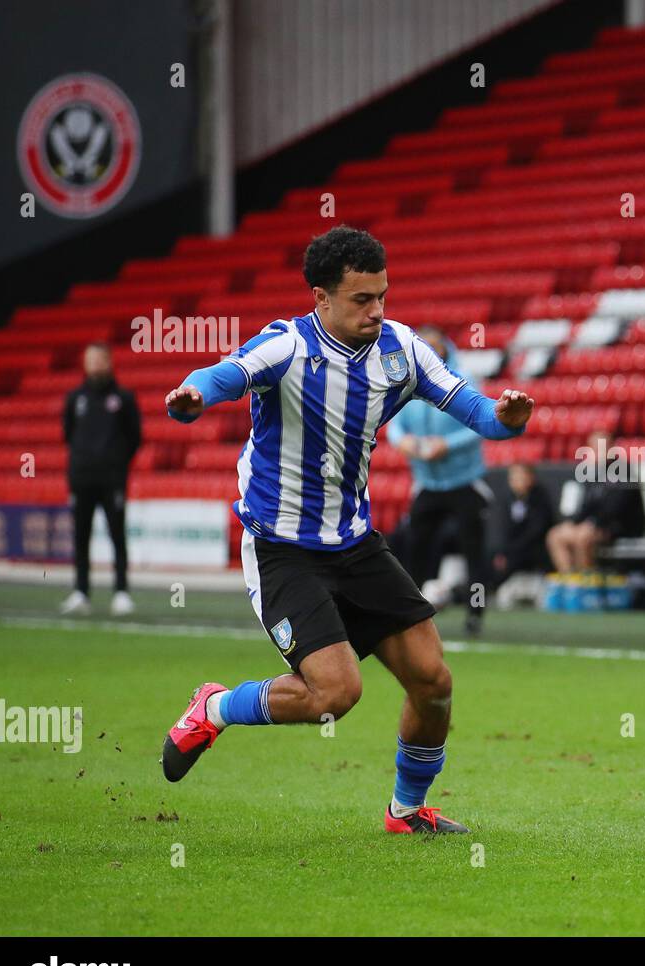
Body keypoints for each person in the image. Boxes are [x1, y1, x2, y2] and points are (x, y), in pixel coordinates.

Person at [160, 226, 534, 834]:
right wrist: (194, 395)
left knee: (433, 681)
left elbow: (475, 410)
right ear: (321, 299)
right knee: (334, 694)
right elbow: (223, 374)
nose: (377, 310)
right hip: (282, 549)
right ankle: (217, 706)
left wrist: (506, 418)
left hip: (354, 544)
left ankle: (406, 811)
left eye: (382, 295)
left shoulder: (400, 350)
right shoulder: (285, 346)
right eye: (362, 300)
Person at [386, 326, 493, 636]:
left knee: (474, 551)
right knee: (415, 547)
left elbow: (478, 424)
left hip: (464, 482)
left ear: (445, 348)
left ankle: (475, 613)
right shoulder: (407, 385)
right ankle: (412, 612)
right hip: (428, 484)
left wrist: (447, 446)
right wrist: (402, 441)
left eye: (436, 346)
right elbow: (393, 424)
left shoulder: (463, 381)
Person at [60, 343, 141, 616]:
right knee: (80, 537)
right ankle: (81, 591)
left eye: (98, 359)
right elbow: (68, 434)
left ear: (109, 361)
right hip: (81, 479)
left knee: (117, 535)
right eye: (89, 359)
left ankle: (121, 592)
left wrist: (115, 463)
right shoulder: (75, 398)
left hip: (112, 480)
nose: (94, 364)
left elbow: (135, 437)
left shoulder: (123, 398)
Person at [546, 431, 645, 574]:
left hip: (620, 526)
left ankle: (586, 583)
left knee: (583, 537)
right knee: (555, 536)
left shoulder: (623, 470)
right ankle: (570, 581)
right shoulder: (590, 472)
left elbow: (616, 507)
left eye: (603, 447)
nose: (600, 451)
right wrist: (574, 522)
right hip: (594, 525)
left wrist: (594, 524)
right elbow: (586, 503)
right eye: (595, 448)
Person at [489, 462, 554, 586]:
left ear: (531, 478)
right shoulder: (509, 499)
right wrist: (502, 552)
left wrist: (511, 551)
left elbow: (537, 529)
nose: (515, 481)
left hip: (535, 547)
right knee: (492, 558)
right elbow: (504, 529)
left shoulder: (539, 497)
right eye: (513, 478)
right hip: (514, 547)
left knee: (510, 562)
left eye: (520, 477)